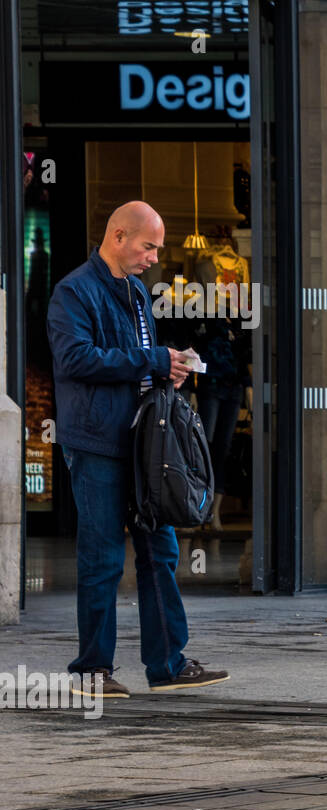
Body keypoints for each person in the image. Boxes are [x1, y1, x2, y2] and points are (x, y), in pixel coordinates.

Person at [46, 201, 230, 698]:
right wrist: (152, 359)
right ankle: (91, 671)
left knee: (160, 552)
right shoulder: (73, 291)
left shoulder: (134, 291)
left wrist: (166, 367)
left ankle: (167, 665)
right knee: (103, 557)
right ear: (119, 235)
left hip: (145, 445)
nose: (154, 257)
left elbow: (132, 362)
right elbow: (76, 358)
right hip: (98, 443)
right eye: (148, 246)